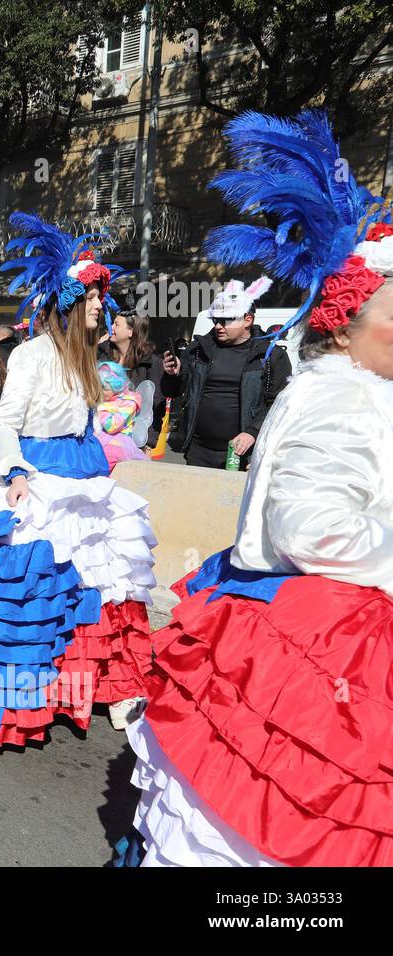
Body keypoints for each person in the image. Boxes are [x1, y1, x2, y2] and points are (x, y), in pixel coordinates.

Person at [127, 109, 393, 867]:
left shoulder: (348, 388)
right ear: (344, 326)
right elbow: (312, 528)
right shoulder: (346, 397)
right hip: (319, 632)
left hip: (300, 615)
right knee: (291, 817)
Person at [0, 211, 158, 747]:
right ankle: (25, 688)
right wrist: (15, 473)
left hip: (83, 467)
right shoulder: (31, 355)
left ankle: (100, 683)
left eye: (103, 298)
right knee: (36, 578)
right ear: (71, 304)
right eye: (95, 298)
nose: (104, 306)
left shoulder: (88, 361)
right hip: (38, 470)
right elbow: (5, 422)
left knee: (100, 571)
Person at [161, 276, 290, 469]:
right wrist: (173, 374)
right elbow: (172, 392)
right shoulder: (198, 349)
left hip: (243, 454)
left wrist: (252, 432)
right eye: (215, 320)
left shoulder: (271, 355)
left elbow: (280, 403)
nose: (218, 326)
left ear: (248, 320)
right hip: (197, 450)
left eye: (226, 320)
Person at [100, 310, 164, 449]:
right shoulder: (102, 354)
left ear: (131, 331)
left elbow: (155, 405)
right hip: (101, 437)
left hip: (133, 443)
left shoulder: (151, 363)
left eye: (116, 324)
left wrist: (148, 443)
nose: (111, 327)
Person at [94, 361, 149, 471]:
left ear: (116, 387)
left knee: (107, 458)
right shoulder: (103, 399)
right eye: (97, 387)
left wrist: (100, 409)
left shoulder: (129, 402)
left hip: (118, 441)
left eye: (104, 388)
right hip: (98, 436)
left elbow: (112, 426)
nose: (99, 391)